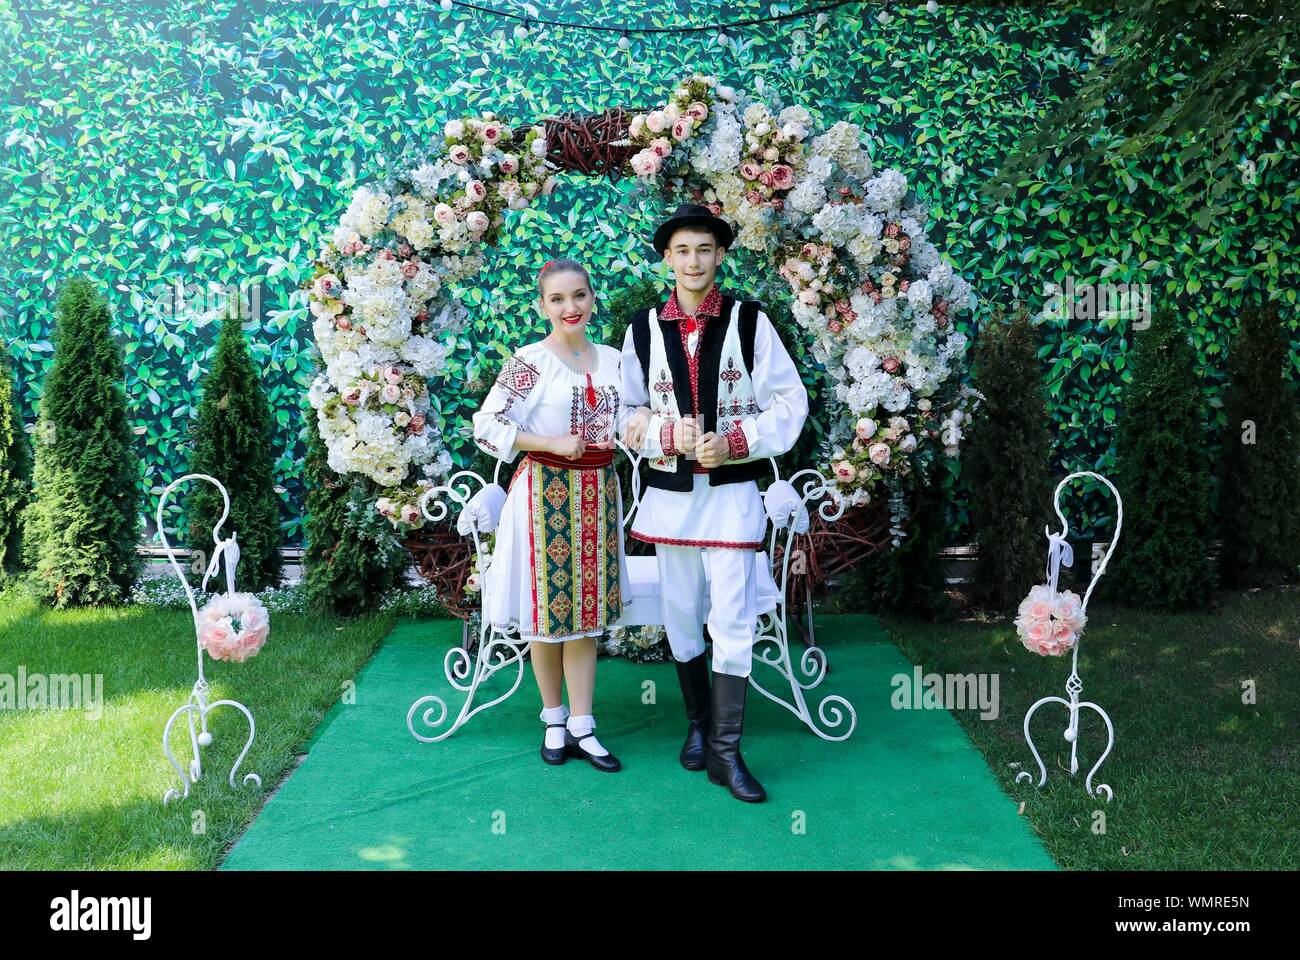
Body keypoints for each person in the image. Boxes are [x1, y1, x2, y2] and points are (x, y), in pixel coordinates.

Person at [621, 203, 808, 802]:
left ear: (720, 254)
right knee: (680, 614)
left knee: (731, 615)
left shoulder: (751, 322)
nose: (693, 260)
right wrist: (661, 435)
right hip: (671, 498)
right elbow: (625, 411)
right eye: (682, 250)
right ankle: (699, 727)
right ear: (667, 258)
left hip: (729, 496)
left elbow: (789, 402)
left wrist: (737, 441)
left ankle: (727, 754)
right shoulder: (642, 328)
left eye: (704, 248)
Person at [472, 258, 632, 772]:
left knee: (585, 617)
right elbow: (487, 425)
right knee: (545, 616)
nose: (571, 307)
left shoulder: (613, 360)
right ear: (542, 306)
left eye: (579, 295)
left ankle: (585, 727)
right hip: (543, 493)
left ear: (592, 297)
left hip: (598, 493)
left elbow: (631, 417)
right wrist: (548, 441)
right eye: (558, 299)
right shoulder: (530, 361)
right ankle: (554, 720)